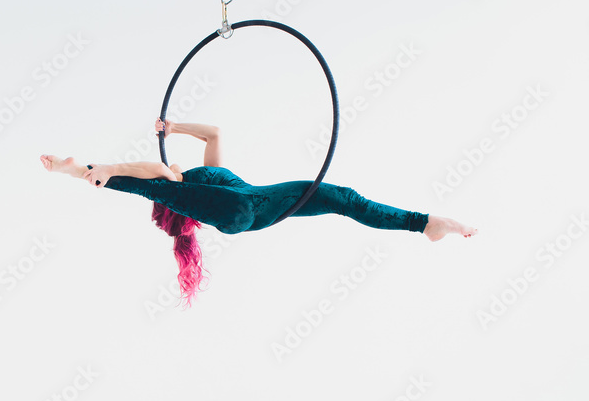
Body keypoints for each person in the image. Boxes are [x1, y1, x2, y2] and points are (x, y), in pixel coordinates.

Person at [40, 118, 477, 306]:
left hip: (253, 211)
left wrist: (174, 128)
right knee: (145, 181)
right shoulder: (180, 190)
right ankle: (77, 170)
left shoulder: (203, 176)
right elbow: (151, 173)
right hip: (242, 209)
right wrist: (105, 169)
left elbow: (213, 133)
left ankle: (425, 224)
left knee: (343, 199)